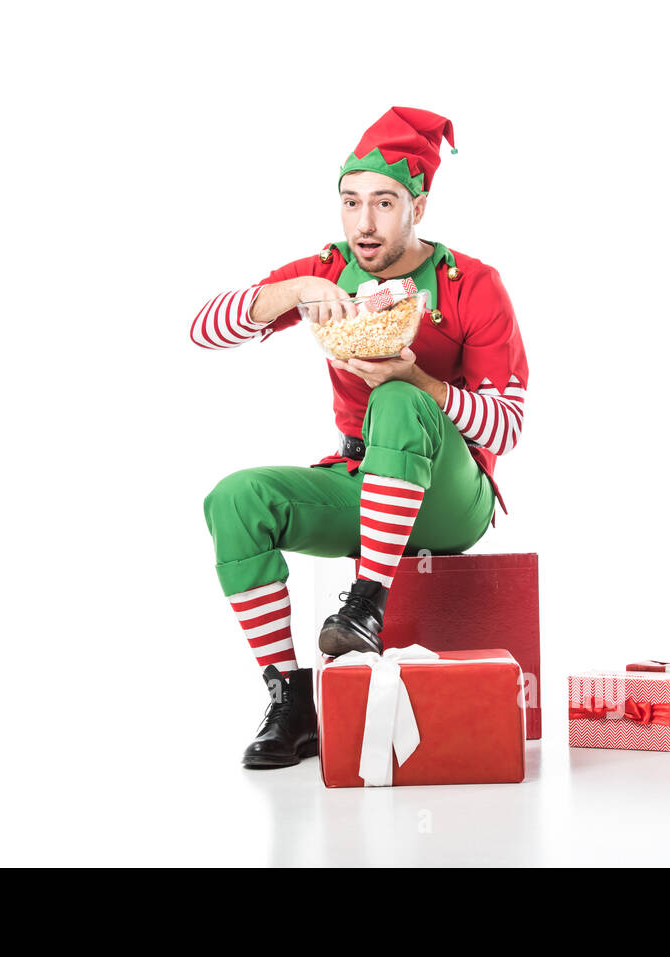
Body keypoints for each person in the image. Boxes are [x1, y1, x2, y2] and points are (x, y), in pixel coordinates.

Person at [192, 107, 530, 769]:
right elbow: (204, 328)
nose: (364, 223)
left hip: (452, 493)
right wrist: (293, 291)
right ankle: (291, 700)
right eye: (351, 203)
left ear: (419, 207)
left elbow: (509, 426)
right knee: (234, 498)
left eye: (383, 202)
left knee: (400, 397)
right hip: (367, 483)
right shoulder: (329, 270)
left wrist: (421, 380)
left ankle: (367, 606)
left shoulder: (474, 285)